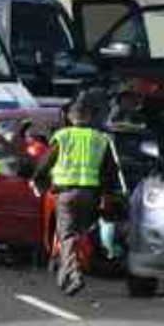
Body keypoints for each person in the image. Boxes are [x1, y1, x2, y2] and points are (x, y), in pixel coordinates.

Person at [31, 97, 118, 296]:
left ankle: (74, 274)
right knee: (80, 233)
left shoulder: (62, 136)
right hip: (91, 195)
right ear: (89, 117)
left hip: (66, 194)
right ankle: (65, 273)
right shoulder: (100, 139)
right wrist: (108, 195)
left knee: (67, 235)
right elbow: (109, 172)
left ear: (70, 117)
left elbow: (45, 163)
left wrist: (37, 180)